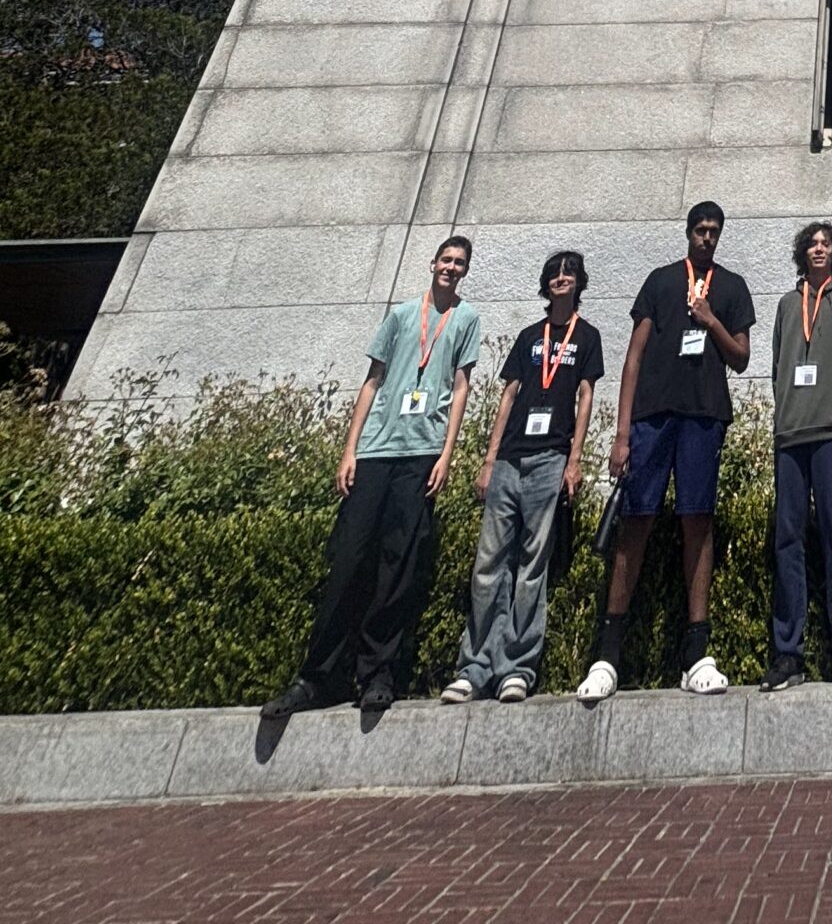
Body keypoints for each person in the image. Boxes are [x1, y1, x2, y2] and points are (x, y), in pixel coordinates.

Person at [262, 236, 481, 718]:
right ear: (432, 263)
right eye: (446, 260)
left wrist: (447, 453)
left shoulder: (466, 320)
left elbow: (460, 388)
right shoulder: (403, 314)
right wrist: (350, 449)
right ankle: (317, 677)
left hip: (422, 451)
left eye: (459, 263)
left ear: (465, 272)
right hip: (378, 449)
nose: (451, 268)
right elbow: (374, 379)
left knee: (398, 566)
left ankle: (378, 674)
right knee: (349, 560)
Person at [577, 202, 754, 701]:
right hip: (653, 417)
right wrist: (621, 433)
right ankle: (607, 656)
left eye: (714, 232)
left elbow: (740, 358)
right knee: (637, 521)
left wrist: (710, 320)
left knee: (697, 521)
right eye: (700, 230)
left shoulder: (732, 286)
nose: (707, 238)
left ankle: (696, 652)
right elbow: (633, 357)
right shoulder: (659, 281)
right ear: (687, 233)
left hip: (704, 416)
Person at [441, 248, 602, 704]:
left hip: (551, 457)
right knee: (489, 565)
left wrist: (575, 459)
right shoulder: (531, 335)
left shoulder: (587, 336)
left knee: (533, 568)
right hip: (510, 458)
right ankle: (474, 668)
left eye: (569, 274)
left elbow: (586, 399)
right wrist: (489, 459)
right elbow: (508, 395)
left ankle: (517, 667)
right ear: (546, 284)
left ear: (579, 283)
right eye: (554, 274)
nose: (561, 279)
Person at [763, 220, 832, 689]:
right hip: (791, 435)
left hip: (831, 433)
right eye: (812, 243)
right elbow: (775, 366)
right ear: (802, 253)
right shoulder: (788, 305)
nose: (819, 249)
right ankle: (788, 654)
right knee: (787, 542)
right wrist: (788, 410)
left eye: (826, 244)